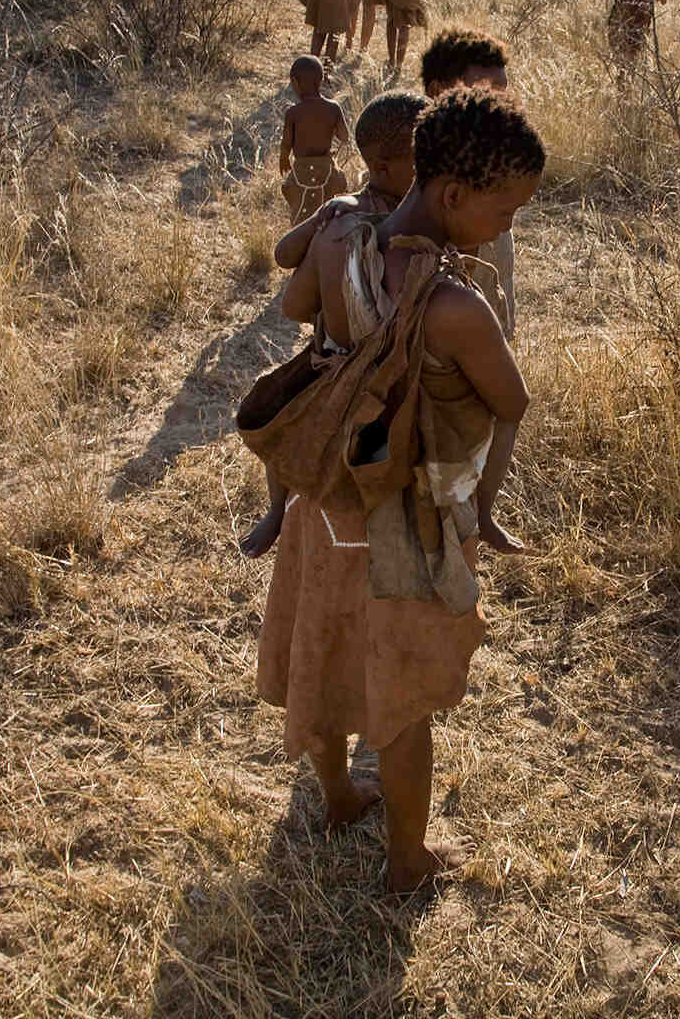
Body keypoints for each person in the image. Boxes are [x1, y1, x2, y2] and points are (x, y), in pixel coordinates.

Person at [249, 88, 543, 892]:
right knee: (404, 699)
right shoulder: (453, 306)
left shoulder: (339, 235)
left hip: (324, 502)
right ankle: (407, 863)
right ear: (451, 195)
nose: (508, 225)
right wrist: (484, 511)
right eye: (505, 208)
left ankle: (340, 796)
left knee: (326, 652)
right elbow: (511, 405)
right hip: (402, 523)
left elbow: (297, 309)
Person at [242, 90, 432, 560]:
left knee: (288, 425)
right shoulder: (359, 220)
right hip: (364, 380)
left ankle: (278, 511)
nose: (433, 168)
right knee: (289, 426)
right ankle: (278, 512)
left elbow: (295, 306)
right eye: (423, 160)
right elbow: (283, 256)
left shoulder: (350, 220)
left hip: (331, 363)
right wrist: (320, 221)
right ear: (385, 167)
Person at [419, 29, 514, 337]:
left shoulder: (497, 167)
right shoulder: (407, 171)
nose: (499, 105)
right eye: (484, 92)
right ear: (438, 91)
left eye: (502, 92)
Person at [278, 56, 351, 226]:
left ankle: (301, 230)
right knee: (336, 192)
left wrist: (283, 158)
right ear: (322, 80)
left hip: (301, 168)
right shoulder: (333, 107)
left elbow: (286, 143)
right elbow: (344, 137)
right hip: (327, 167)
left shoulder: (293, 113)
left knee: (293, 194)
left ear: (295, 83)